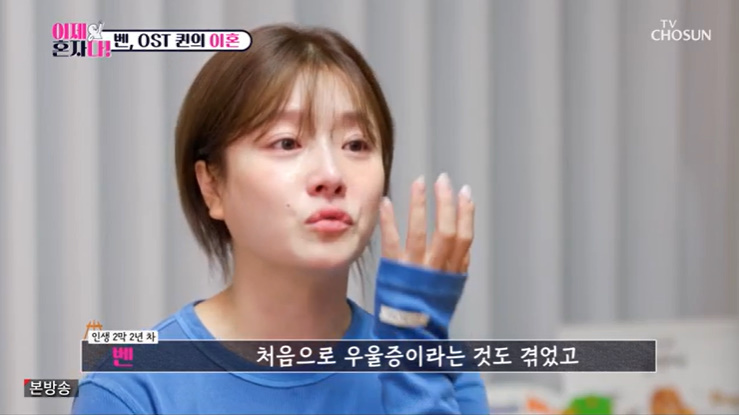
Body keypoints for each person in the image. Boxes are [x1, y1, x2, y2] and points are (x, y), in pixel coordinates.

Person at [72, 23, 488, 414]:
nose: (331, 175)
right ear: (212, 185)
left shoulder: (442, 372)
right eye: (287, 142)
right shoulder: (132, 388)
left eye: (356, 144)